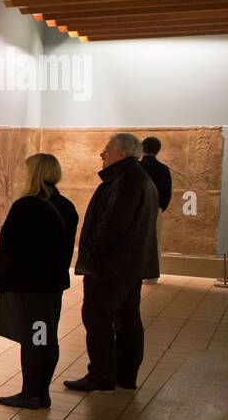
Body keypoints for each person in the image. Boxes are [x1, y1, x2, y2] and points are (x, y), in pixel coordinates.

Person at [64, 133, 160, 392]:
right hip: (128, 267)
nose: (102, 154)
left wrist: (93, 252)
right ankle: (124, 375)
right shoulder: (135, 177)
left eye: (107, 149)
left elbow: (113, 224)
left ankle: (102, 375)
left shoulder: (126, 180)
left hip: (112, 268)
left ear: (122, 153)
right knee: (127, 319)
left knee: (97, 317)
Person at [0, 154, 78, 409]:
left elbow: (9, 250)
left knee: (34, 340)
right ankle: (41, 391)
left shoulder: (27, 206)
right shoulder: (66, 206)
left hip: (30, 288)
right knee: (46, 337)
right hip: (52, 285)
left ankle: (32, 394)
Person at [140, 136, 172, 284]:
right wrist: (161, 207)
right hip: (156, 208)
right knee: (155, 241)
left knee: (136, 239)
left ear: (142, 148)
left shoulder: (137, 167)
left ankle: (137, 273)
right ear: (158, 150)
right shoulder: (163, 169)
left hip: (137, 207)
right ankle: (152, 276)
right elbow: (167, 192)